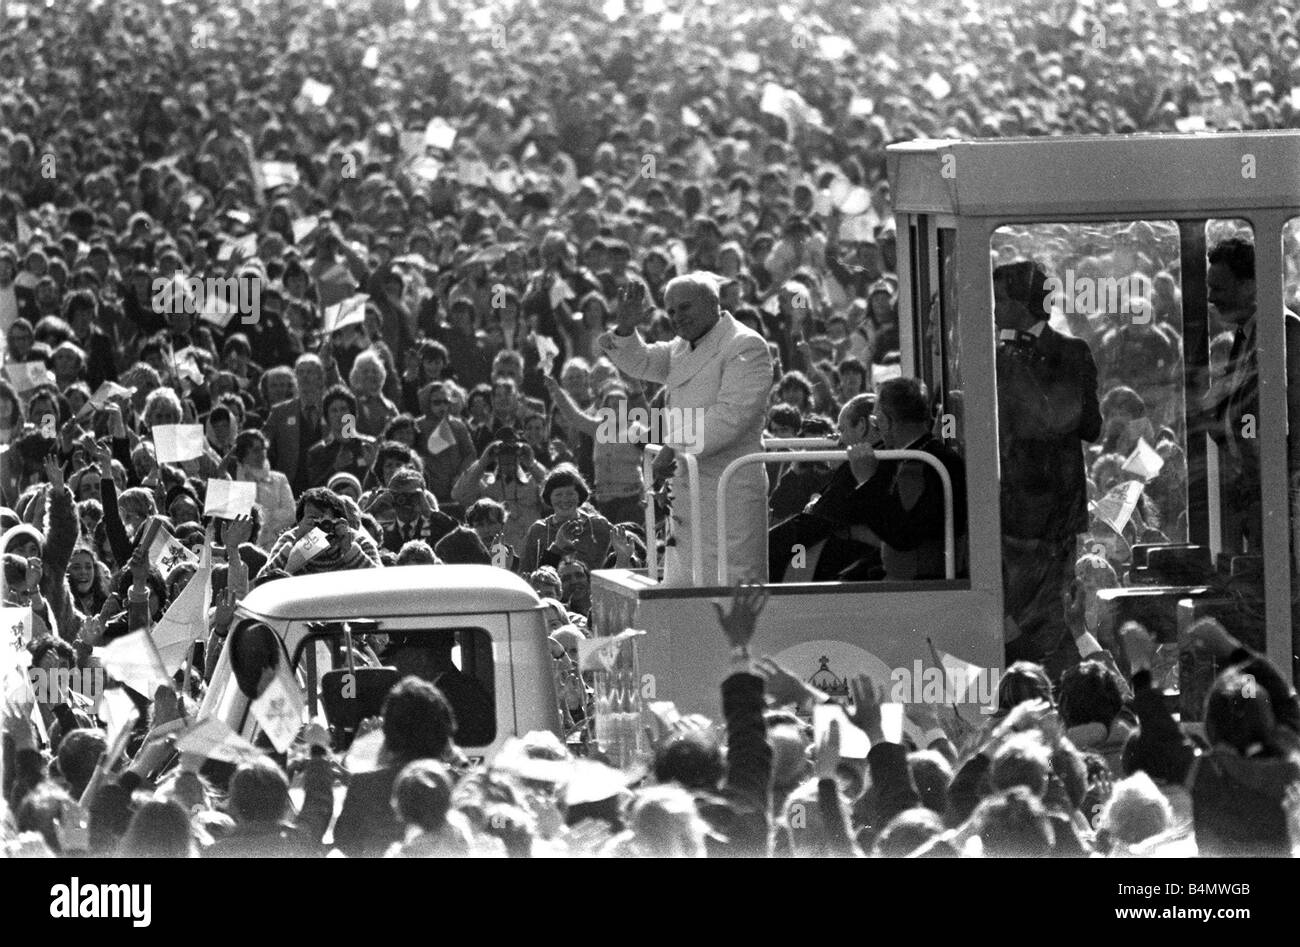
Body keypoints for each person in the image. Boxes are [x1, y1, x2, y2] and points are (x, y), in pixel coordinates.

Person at [598, 275, 772, 585]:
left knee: (729, 588)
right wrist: (625, 327)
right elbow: (641, 362)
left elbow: (730, 418)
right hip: (685, 492)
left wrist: (673, 448)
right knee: (681, 590)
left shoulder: (744, 345)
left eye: (685, 307)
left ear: (713, 303)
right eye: (671, 311)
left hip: (728, 491)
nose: (678, 317)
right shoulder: (680, 348)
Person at [994, 260, 1101, 680]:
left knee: (1051, 621)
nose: (995, 309)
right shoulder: (996, 354)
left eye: (1001, 300)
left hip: (1052, 513)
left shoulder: (1070, 352)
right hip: (1010, 512)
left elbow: (1089, 425)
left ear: (1023, 303)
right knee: (1011, 618)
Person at [1197, 236, 1300, 555]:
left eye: (1220, 288)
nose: (1211, 298)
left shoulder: (1286, 335)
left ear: (1251, 284)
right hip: (1258, 498)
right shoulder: (1246, 336)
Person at [845, 378, 967, 581]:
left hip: (922, 586)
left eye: (876, 422)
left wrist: (867, 481)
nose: (877, 430)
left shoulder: (925, 463)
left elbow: (904, 536)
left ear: (887, 421)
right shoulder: (907, 455)